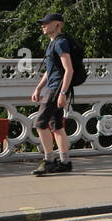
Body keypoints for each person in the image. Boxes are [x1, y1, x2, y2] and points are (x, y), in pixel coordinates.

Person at [29, 13, 75, 175]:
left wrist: (63, 92)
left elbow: (69, 70)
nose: (43, 25)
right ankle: (65, 161)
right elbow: (50, 71)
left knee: (40, 123)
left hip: (56, 88)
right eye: (43, 23)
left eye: (46, 23)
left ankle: (48, 160)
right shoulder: (52, 43)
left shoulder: (61, 43)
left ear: (57, 24)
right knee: (56, 126)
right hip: (52, 87)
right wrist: (38, 88)